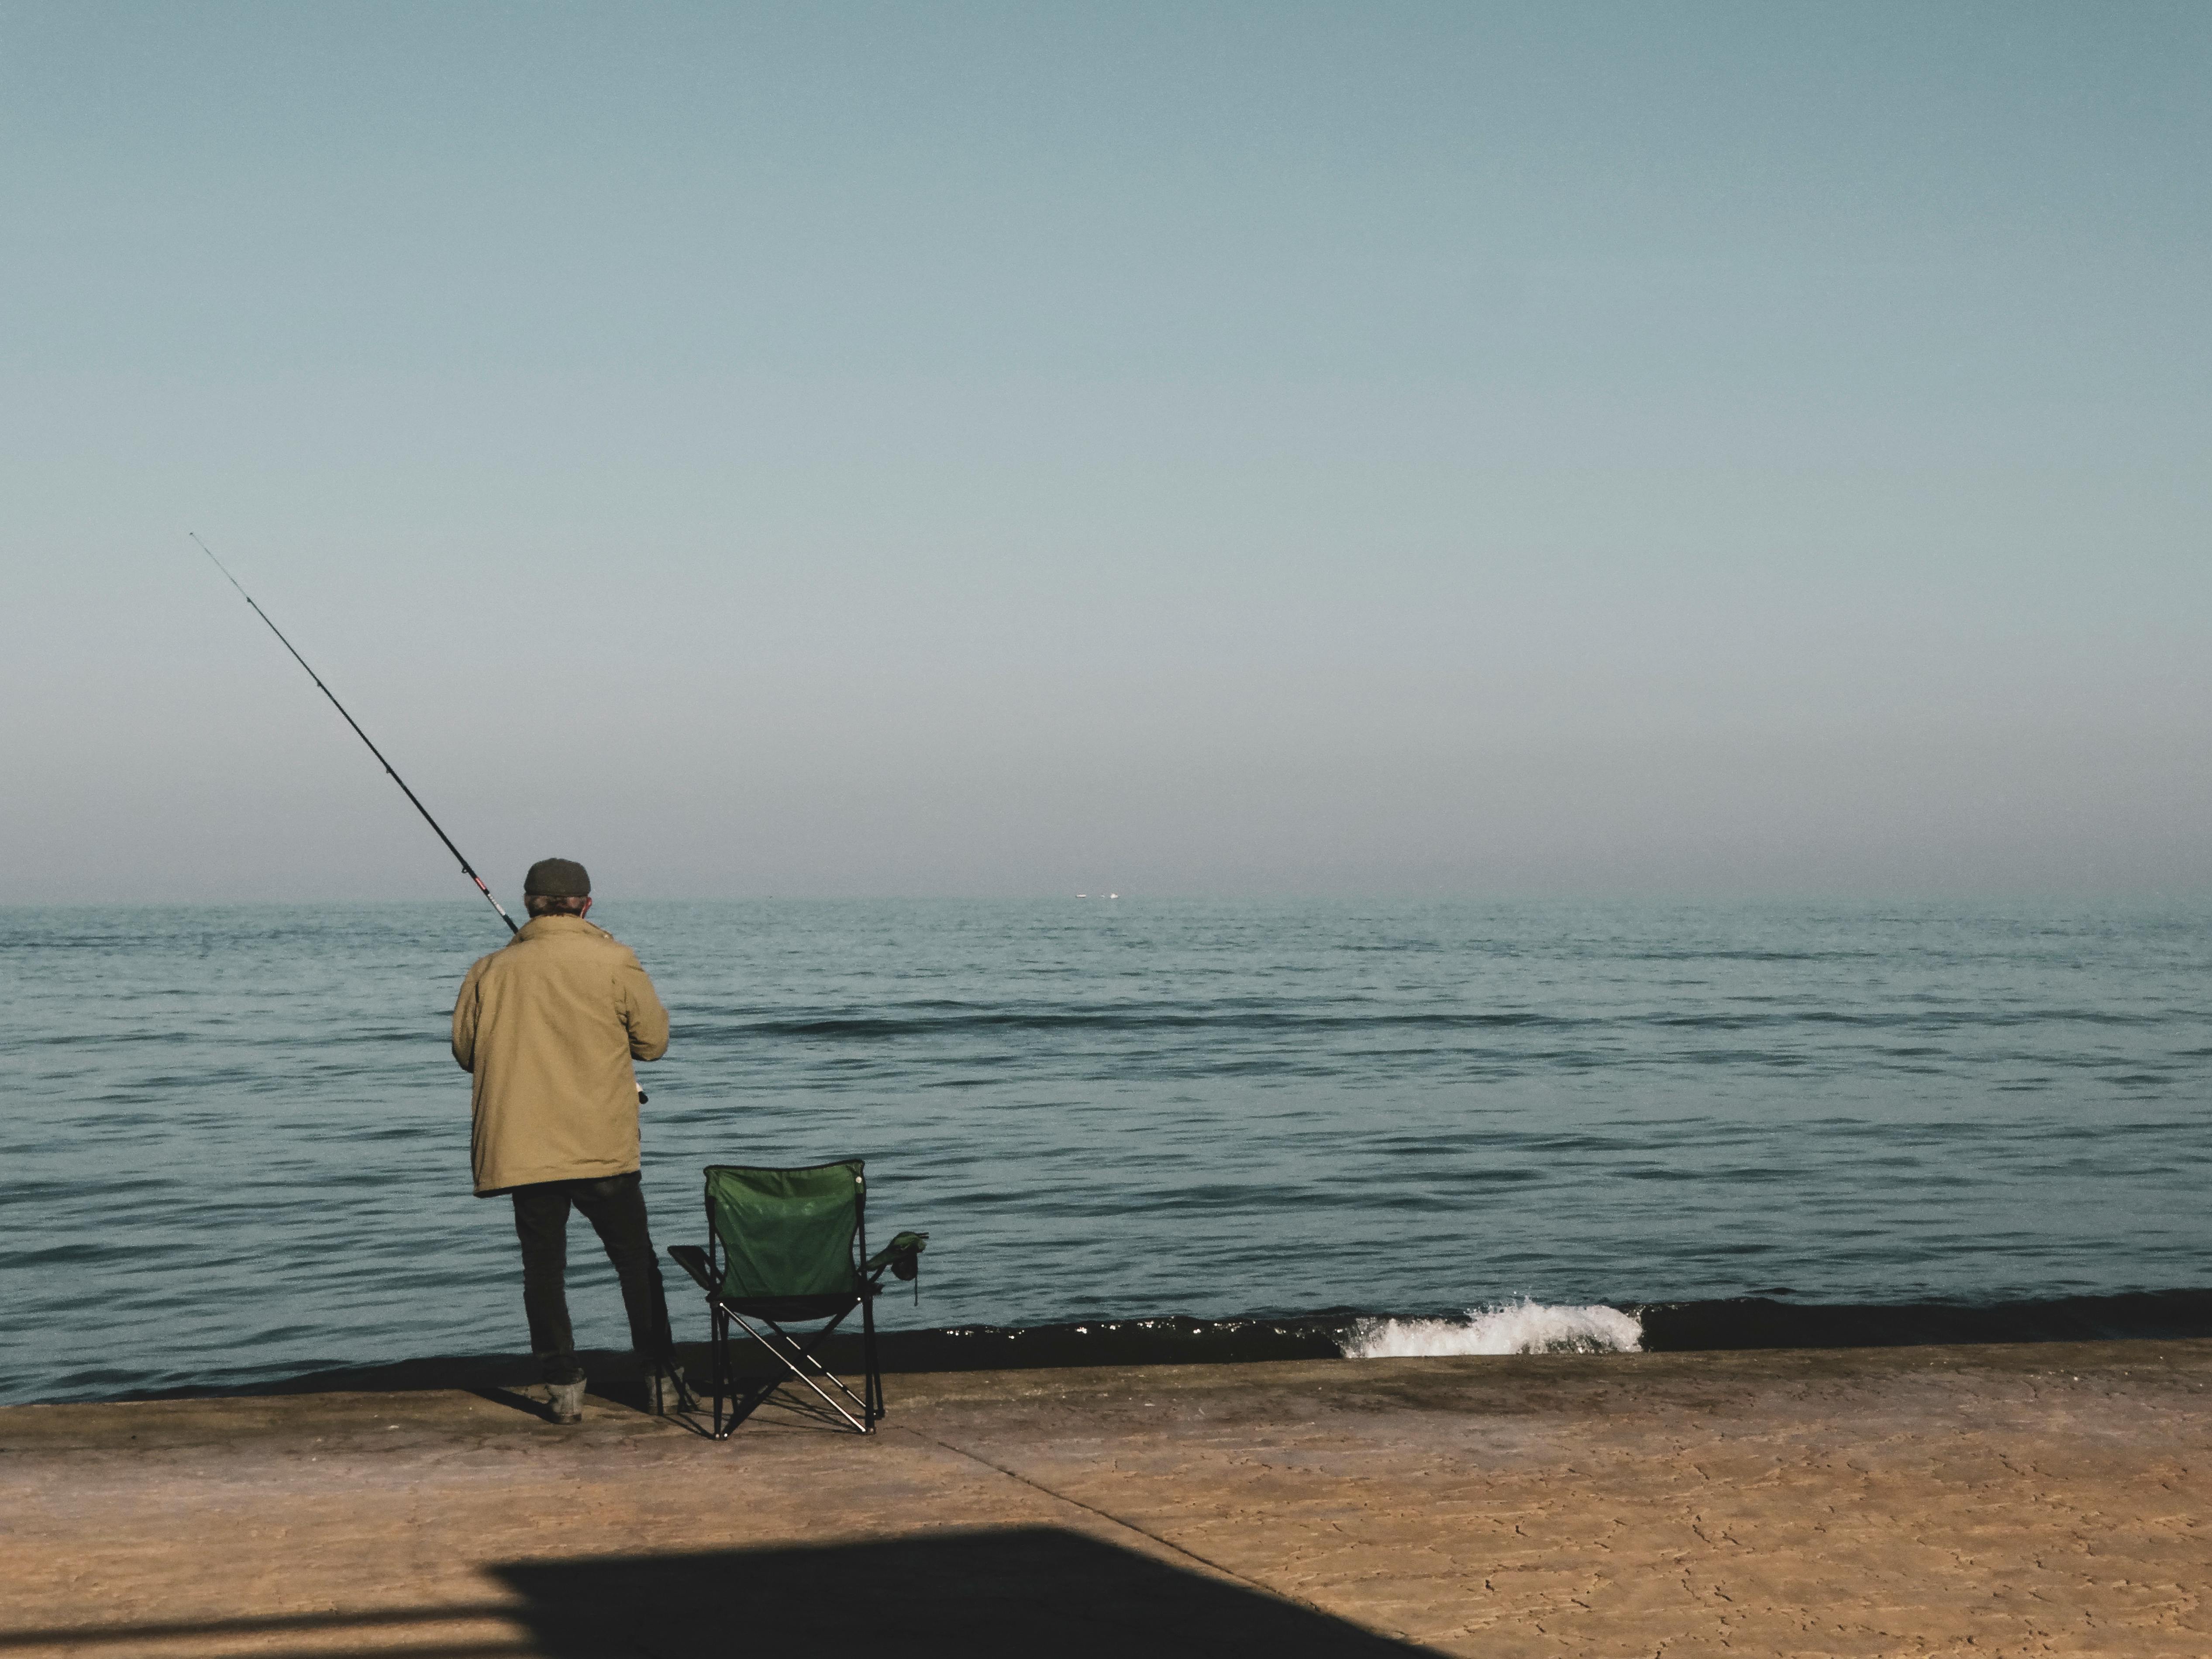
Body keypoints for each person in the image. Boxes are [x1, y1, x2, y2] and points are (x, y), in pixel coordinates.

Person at [451, 857, 686, 1424]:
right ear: (585, 904)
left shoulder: (490, 969)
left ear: (531, 904)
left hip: (525, 1148)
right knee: (635, 1264)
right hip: (599, 1142)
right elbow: (652, 1043)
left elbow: (466, 1053)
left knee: (543, 1270)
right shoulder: (614, 959)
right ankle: (661, 1382)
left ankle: (561, 1388)